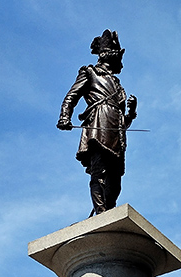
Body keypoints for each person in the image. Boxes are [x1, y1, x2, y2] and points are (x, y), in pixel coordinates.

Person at [57, 30, 137, 215]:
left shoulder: (118, 85)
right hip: (98, 126)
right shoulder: (90, 72)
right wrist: (65, 116)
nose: (121, 64)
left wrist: (131, 112)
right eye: (118, 58)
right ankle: (101, 213)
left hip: (116, 133)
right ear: (110, 56)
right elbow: (71, 96)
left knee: (115, 181)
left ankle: (108, 211)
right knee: (99, 173)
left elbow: (123, 122)